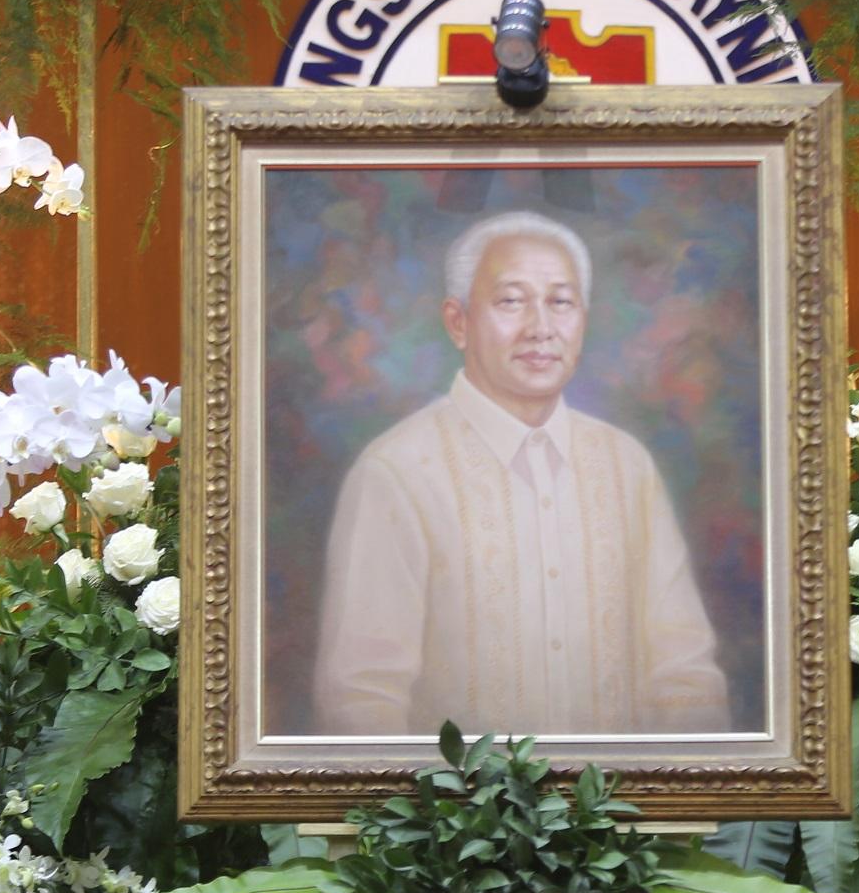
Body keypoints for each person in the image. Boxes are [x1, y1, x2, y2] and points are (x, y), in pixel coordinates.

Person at [314, 210, 733, 737]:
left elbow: (684, 672)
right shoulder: (397, 471)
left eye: (561, 302)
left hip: (628, 813)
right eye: (511, 301)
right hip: (450, 815)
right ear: (458, 321)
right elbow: (362, 696)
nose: (541, 328)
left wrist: (684, 804)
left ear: (583, 317)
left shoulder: (627, 467)